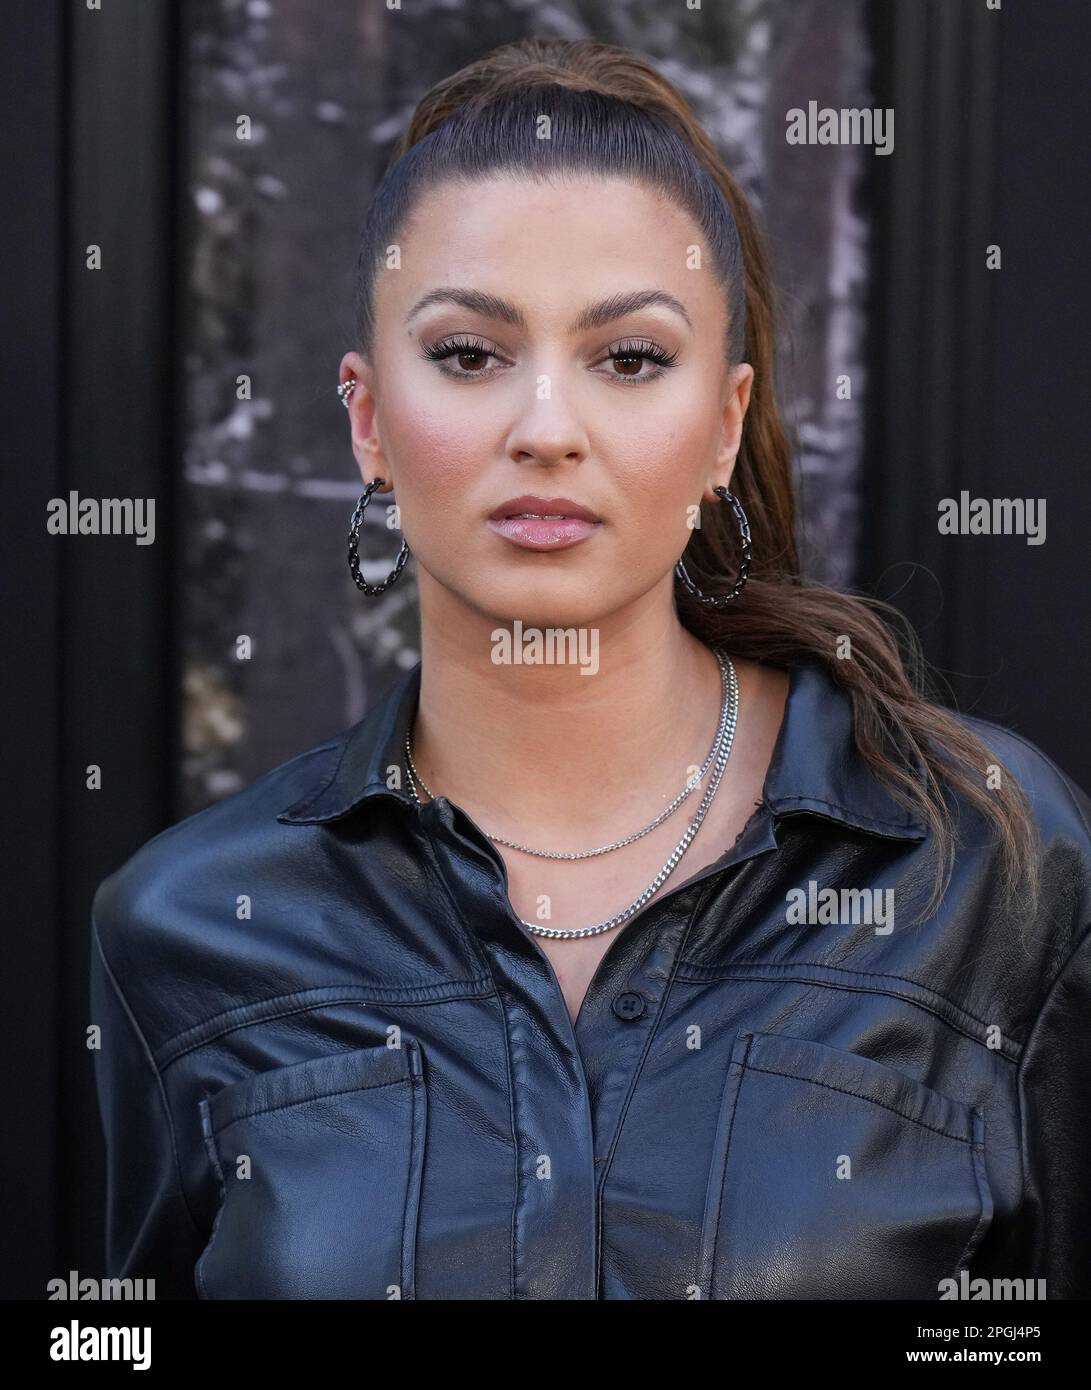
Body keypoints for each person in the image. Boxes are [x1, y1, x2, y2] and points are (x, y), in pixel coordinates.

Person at [90, 37, 1091, 1300]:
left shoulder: (986, 867)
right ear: (366, 419)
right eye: (467, 354)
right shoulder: (184, 923)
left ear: (724, 423)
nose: (546, 430)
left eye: (628, 358)